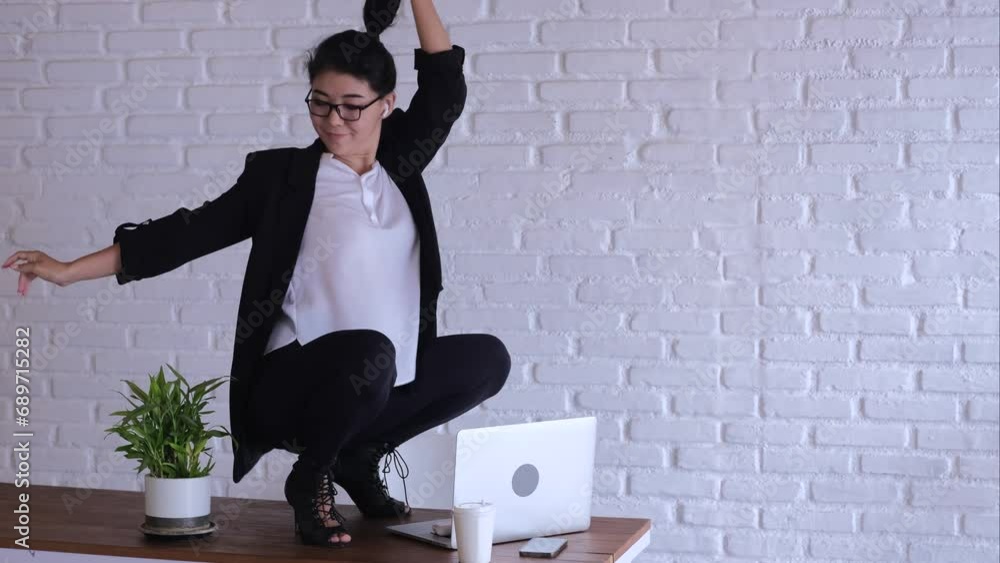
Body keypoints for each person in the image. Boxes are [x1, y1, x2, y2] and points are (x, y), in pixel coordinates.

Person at [3, 0, 511, 548]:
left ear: (387, 104)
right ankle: (310, 478)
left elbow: (443, 87)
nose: (333, 121)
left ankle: (356, 454)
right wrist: (68, 271)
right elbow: (184, 234)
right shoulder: (283, 179)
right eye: (319, 104)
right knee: (372, 351)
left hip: (376, 384)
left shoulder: (401, 161)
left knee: (485, 359)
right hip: (291, 386)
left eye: (351, 106)